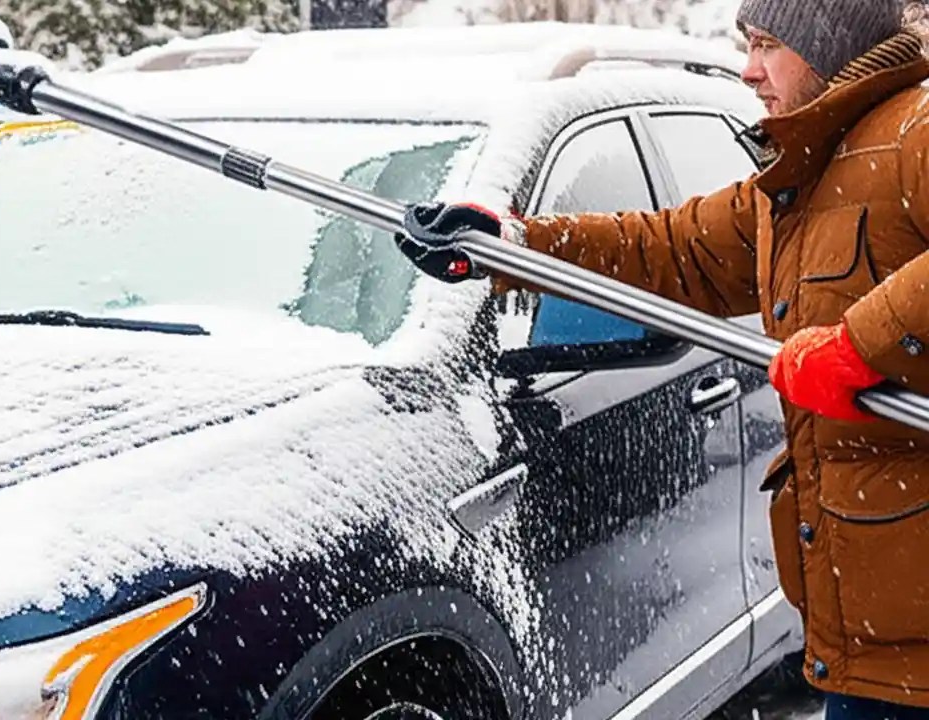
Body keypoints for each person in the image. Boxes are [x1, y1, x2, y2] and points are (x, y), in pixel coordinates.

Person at [393, 1, 929, 717]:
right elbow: (673, 249)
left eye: (767, 45)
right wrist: (515, 245)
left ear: (824, 44)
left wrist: (858, 347)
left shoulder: (916, 133)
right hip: (871, 631)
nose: (749, 69)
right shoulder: (807, 173)